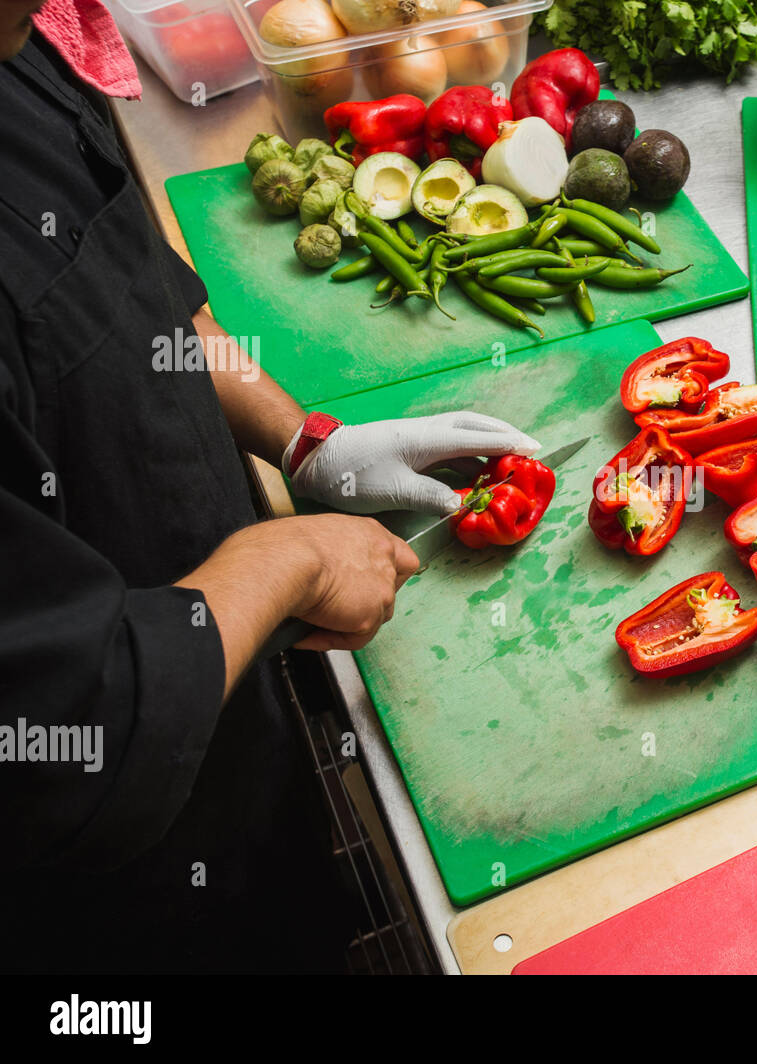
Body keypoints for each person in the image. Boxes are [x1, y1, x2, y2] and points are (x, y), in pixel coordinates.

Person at [0, 0, 536, 971]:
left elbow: (130, 299)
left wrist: (304, 441)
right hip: (104, 894)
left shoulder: (25, 41)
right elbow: (60, 726)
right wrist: (281, 556)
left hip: (228, 720)